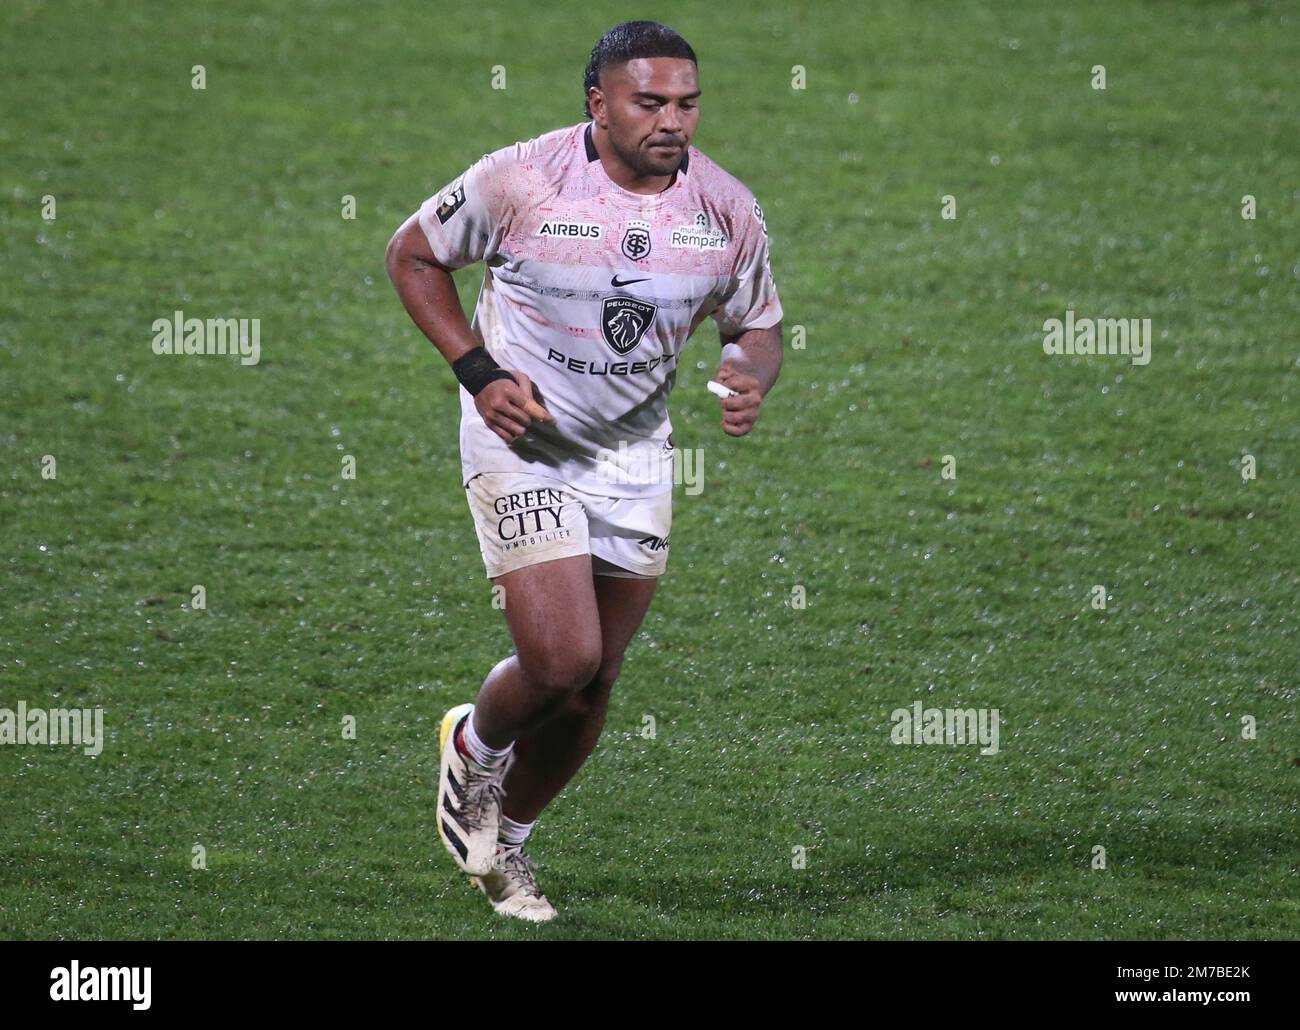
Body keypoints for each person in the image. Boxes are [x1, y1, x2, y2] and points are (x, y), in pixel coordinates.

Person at [385, 19, 784, 922]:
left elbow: (757, 323)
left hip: (634, 453)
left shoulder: (725, 208)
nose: (672, 121)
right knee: (562, 657)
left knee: (593, 685)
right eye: (649, 102)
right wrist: (477, 371)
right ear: (597, 103)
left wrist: (750, 375)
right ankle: (475, 747)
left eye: (685, 103)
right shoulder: (522, 179)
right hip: (520, 441)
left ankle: (506, 847)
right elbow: (412, 254)